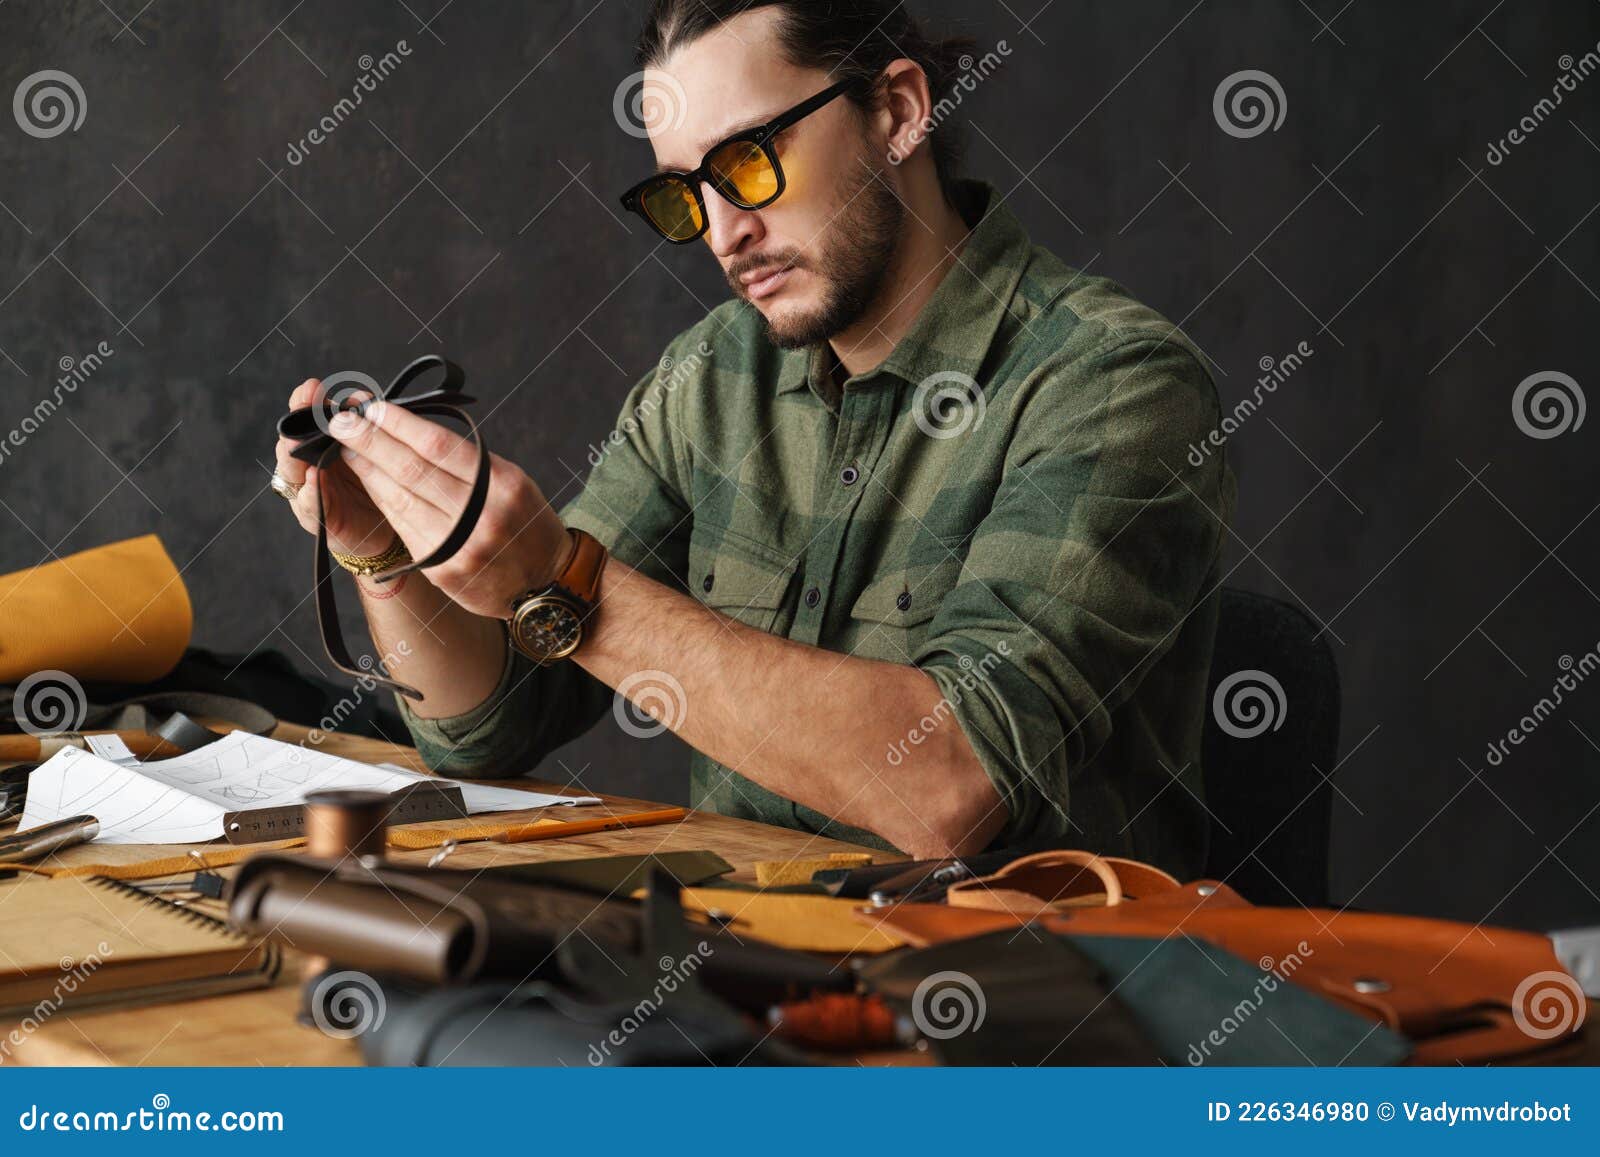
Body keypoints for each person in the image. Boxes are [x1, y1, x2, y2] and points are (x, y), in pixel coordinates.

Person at [271, 0, 1235, 870]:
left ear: (898, 112)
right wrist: (386, 556)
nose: (723, 231)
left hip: (1013, 1027)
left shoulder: (1112, 383)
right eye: (687, 193)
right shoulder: (711, 378)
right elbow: (489, 726)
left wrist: (565, 579)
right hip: (736, 986)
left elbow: (952, 785)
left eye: (746, 162)